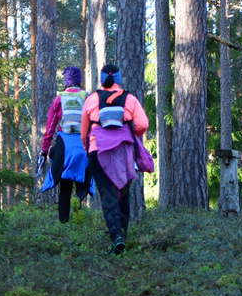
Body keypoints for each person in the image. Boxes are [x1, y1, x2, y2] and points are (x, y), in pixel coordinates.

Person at [81, 63, 155, 255]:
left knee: (108, 194)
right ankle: (123, 234)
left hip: (98, 149)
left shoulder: (92, 99)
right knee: (123, 192)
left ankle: (117, 238)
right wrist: (130, 134)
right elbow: (143, 124)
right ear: (119, 79)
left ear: (102, 79)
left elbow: (84, 130)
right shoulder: (129, 98)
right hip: (124, 150)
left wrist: (88, 146)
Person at [36, 66, 92, 223]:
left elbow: (50, 129)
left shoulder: (59, 100)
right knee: (85, 180)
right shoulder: (87, 98)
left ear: (66, 81)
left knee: (65, 188)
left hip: (64, 146)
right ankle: (79, 206)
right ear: (79, 80)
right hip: (83, 146)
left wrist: (43, 152)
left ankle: (64, 223)